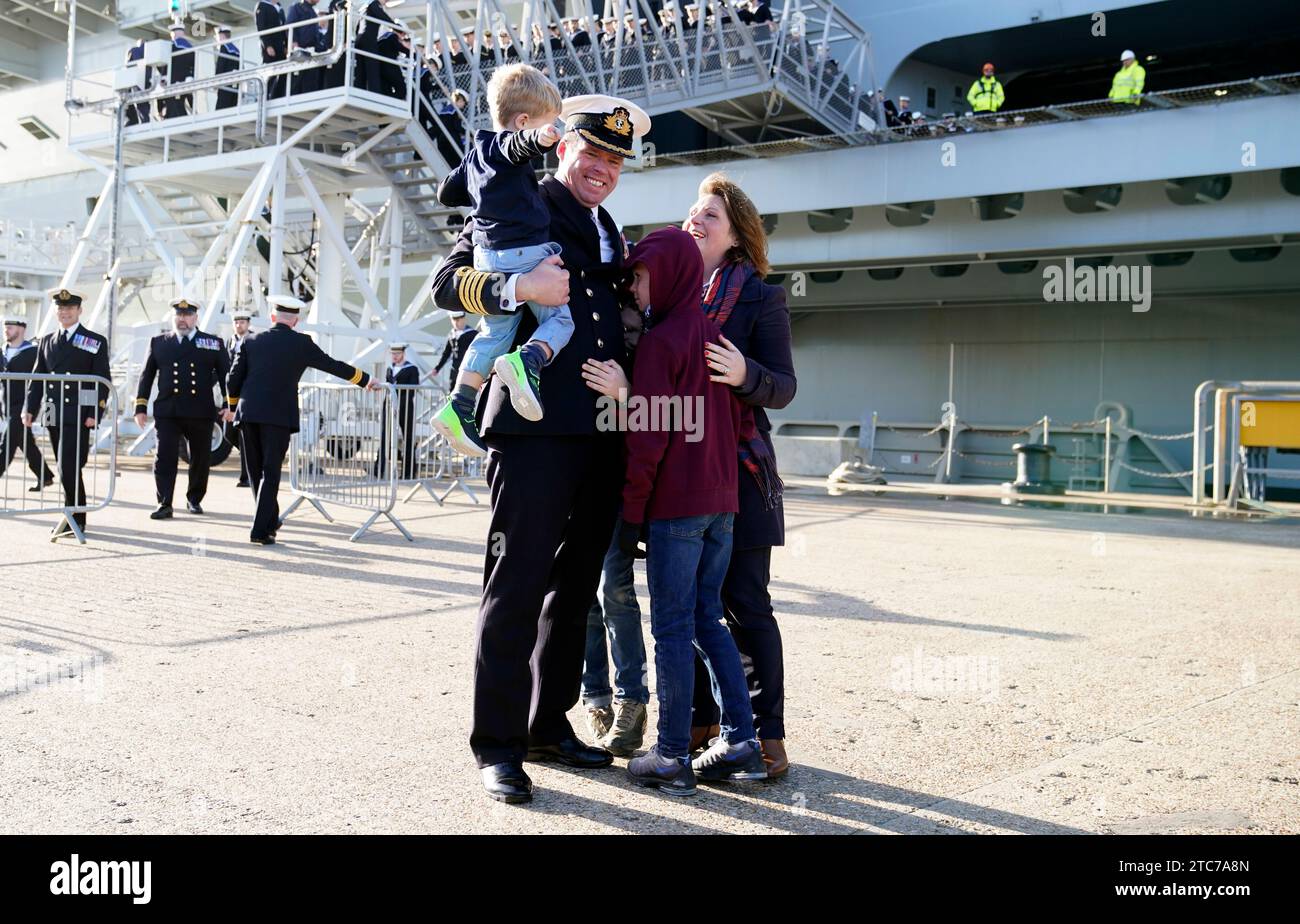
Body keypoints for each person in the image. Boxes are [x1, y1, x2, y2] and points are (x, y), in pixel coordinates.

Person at [430, 93, 651, 804]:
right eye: (594, 153)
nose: (603, 169)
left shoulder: (609, 228)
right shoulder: (521, 198)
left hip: (598, 430)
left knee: (576, 585)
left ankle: (545, 725)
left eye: (616, 160)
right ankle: (497, 743)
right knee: (517, 578)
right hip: (530, 425)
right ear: (564, 148)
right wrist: (515, 286)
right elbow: (446, 283)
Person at [615, 227, 767, 795]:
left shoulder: (661, 343)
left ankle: (673, 754)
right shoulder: (714, 339)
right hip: (721, 505)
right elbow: (741, 423)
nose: (633, 288)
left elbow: (648, 437)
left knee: (673, 627)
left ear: (671, 274)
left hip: (675, 507)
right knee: (707, 618)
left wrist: (632, 511)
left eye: (641, 275)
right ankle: (742, 742)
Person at [682, 173, 795, 778]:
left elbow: (784, 386)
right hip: (683, 470)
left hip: (743, 471)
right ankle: (700, 725)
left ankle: (766, 737)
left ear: (735, 237)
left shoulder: (761, 296)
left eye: (712, 216)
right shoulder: (670, 292)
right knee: (690, 602)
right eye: (695, 212)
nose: (697, 220)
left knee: (744, 603)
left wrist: (742, 371)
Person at [430, 64, 573, 456]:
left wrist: (481, 191)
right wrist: (539, 138)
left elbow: (447, 191)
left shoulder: (478, 154)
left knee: (493, 334)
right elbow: (516, 146)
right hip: (524, 251)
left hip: (487, 255)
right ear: (524, 121)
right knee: (561, 319)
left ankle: (459, 405)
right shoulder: (508, 146)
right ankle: (528, 361)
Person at [225, 295, 379, 545]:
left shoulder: (250, 340)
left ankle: (270, 521)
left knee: (255, 472)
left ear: (273, 317)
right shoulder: (301, 343)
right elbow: (332, 365)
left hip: (248, 414)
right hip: (277, 417)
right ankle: (260, 530)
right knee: (270, 473)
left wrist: (233, 407)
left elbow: (232, 379)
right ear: (295, 320)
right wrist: (364, 379)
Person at [20, 288, 112, 539]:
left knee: (68, 466)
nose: (65, 312)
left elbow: (100, 379)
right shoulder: (47, 340)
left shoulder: (94, 341)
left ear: (79, 311)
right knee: (67, 467)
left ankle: (74, 518)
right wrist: (30, 408)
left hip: (79, 413)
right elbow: (38, 377)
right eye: (61, 309)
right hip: (53, 412)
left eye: (70, 308)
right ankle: (73, 516)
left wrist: (95, 411)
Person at [133, 298, 233, 520]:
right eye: (179, 315)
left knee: (200, 457)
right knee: (164, 456)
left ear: (195, 318)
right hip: (168, 410)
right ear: (173, 317)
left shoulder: (213, 343)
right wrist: (140, 406)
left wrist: (229, 405)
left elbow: (227, 375)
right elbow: (146, 375)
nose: (182, 319)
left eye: (187, 316)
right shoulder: (159, 342)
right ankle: (164, 502)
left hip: (200, 410)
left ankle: (194, 499)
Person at [0, 314, 55, 490]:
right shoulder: (2, 351)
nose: (6, 330)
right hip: (6, 404)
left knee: (6, 442)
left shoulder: (33, 352)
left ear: (21, 329)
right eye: (4, 327)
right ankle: (45, 476)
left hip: (25, 405)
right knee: (24, 441)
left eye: (10, 327)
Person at [374, 343, 419, 480]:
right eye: (393, 354)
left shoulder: (412, 369)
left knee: (408, 439)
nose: (395, 356)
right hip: (389, 406)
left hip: (405, 408)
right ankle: (379, 470)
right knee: (384, 437)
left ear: (403, 354)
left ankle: (408, 472)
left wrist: (399, 403)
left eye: (397, 354)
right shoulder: (390, 368)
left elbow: (412, 390)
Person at [227, 309, 254, 487]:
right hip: (231, 395)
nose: (239, 325)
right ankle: (252, 455)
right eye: (236, 322)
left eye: (242, 322)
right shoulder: (229, 341)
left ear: (248, 324)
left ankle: (246, 477)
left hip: (245, 396)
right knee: (229, 433)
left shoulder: (253, 341)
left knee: (244, 437)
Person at [354, 0, 397, 94]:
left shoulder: (365, 7)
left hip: (359, 40)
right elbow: (381, 15)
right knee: (372, 68)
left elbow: (357, 27)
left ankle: (358, 91)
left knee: (361, 70)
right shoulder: (374, 4)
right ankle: (374, 93)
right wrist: (395, 26)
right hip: (369, 40)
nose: (386, 2)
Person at [428, 310, 476, 387]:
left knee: (464, 394)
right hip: (455, 370)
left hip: (468, 370)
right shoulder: (452, 334)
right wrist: (437, 368)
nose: (456, 323)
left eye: (458, 320)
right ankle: (449, 400)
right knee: (450, 394)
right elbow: (446, 353)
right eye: (453, 320)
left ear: (463, 319)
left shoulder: (473, 334)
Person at [286, 0, 323, 95]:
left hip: (312, 52)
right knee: (296, 83)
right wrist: (294, 43)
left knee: (310, 83)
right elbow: (290, 25)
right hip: (300, 50)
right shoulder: (297, 7)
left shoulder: (313, 12)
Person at [256, 0, 288, 100]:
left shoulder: (279, 7)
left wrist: (286, 44)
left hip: (280, 46)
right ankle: (264, 96)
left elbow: (284, 27)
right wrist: (268, 45)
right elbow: (261, 26)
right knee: (270, 72)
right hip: (271, 45)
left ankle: (277, 95)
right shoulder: (262, 5)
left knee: (283, 72)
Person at [164, 22, 195, 119]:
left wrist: (163, 77)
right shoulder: (191, 47)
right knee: (178, 103)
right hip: (187, 80)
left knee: (174, 104)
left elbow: (166, 63)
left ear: (174, 33)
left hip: (173, 81)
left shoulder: (172, 46)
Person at [124, 38, 152, 125]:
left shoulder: (133, 50)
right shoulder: (150, 50)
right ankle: (146, 120)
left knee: (139, 101)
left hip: (137, 78)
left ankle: (142, 121)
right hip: (148, 79)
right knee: (145, 101)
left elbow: (128, 65)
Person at [214, 26, 241, 110]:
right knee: (232, 107)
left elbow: (221, 65)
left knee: (221, 108)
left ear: (221, 35)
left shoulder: (224, 47)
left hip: (225, 82)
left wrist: (216, 80)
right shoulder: (236, 50)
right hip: (235, 83)